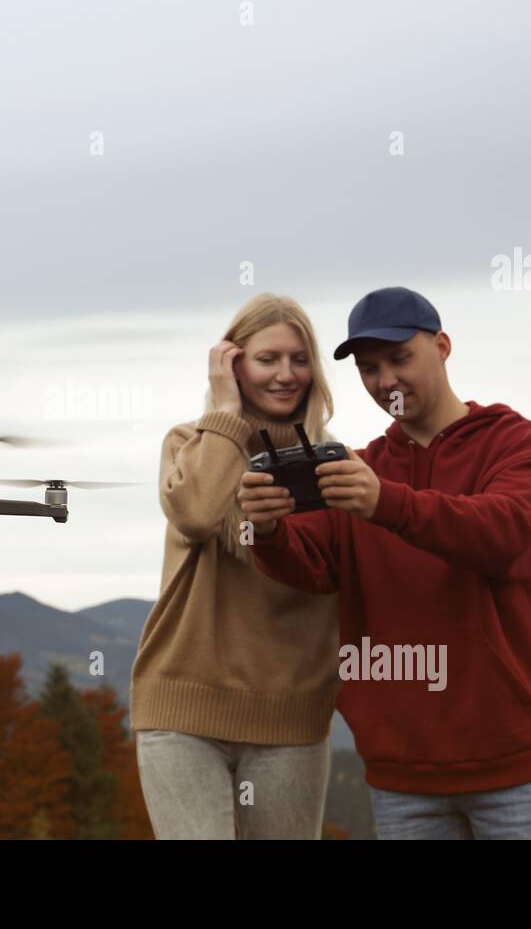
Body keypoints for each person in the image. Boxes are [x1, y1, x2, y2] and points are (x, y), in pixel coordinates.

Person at [238, 286, 531, 839]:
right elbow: (312, 566)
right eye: (370, 369)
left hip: (516, 769)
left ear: (442, 346)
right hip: (401, 781)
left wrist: (386, 503)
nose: (386, 381)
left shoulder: (517, 445)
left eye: (400, 358)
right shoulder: (362, 468)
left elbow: (512, 537)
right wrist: (267, 529)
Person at [130, 293, 341, 839]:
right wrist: (225, 415)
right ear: (231, 363)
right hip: (182, 708)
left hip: (290, 716)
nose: (286, 374)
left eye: (299, 359)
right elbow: (198, 514)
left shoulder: (337, 465)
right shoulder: (189, 443)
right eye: (267, 359)